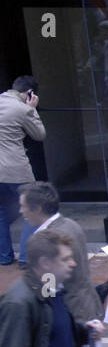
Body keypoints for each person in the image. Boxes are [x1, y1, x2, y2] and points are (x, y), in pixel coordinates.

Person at [19, 183, 100, 323]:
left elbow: (48, 289)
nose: (21, 211)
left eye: (23, 206)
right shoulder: (70, 224)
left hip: (71, 313)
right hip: (87, 305)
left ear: (37, 208)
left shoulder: (48, 239)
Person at [0, 76, 44, 265]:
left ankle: (4, 256)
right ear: (29, 93)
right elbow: (39, 135)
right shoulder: (23, 109)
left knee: (0, 213)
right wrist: (32, 109)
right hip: (16, 169)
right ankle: (26, 257)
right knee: (32, 209)